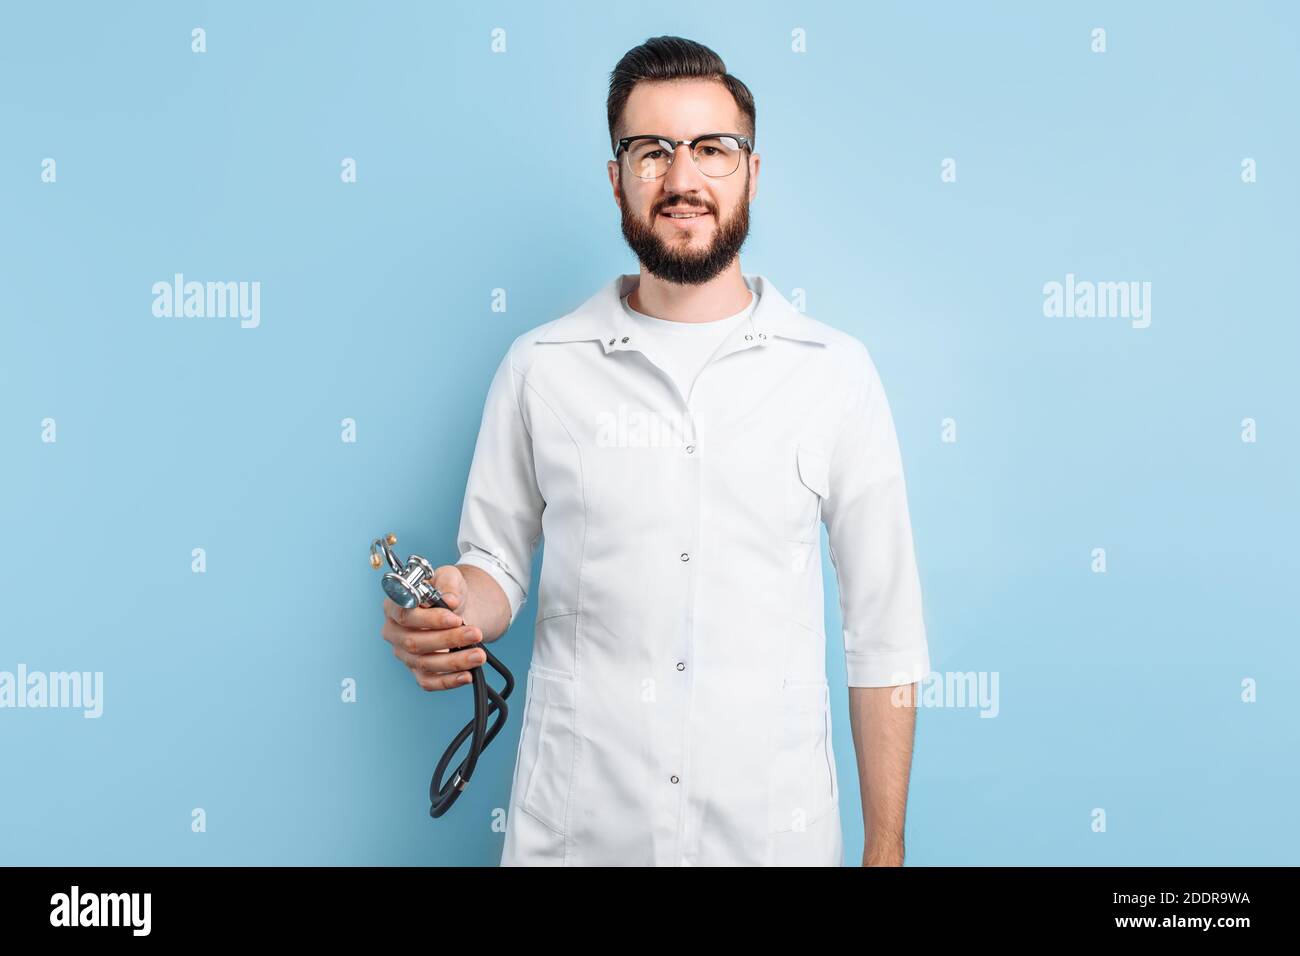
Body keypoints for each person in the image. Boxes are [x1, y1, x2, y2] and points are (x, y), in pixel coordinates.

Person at [380, 35, 931, 867]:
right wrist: (453, 605)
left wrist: (885, 851)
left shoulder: (835, 374)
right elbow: (494, 572)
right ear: (617, 179)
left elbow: (883, 630)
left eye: (713, 149)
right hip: (579, 835)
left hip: (770, 840)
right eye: (651, 152)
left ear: (751, 170)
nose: (683, 179)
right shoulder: (540, 369)